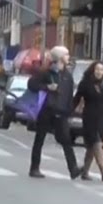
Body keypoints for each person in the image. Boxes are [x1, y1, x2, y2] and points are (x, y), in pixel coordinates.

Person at [27, 46, 80, 179]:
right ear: (60, 57)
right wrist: (47, 87)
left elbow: (68, 95)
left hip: (61, 112)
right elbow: (31, 85)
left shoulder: (67, 75)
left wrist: (69, 111)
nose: (68, 57)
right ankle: (34, 168)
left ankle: (73, 168)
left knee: (66, 140)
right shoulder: (46, 72)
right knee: (40, 138)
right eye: (66, 55)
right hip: (46, 110)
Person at [73, 60, 103, 181]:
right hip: (89, 118)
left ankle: (85, 171)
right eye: (97, 69)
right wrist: (69, 110)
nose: (99, 72)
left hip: (102, 119)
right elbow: (77, 98)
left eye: (101, 70)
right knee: (96, 143)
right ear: (93, 70)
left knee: (91, 147)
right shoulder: (85, 83)